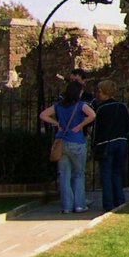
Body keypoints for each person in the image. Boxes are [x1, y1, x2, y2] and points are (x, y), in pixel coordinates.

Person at [40, 80, 97, 214]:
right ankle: (79, 205)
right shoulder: (81, 105)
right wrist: (81, 125)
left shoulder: (59, 106)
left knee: (64, 175)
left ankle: (66, 206)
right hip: (76, 141)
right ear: (78, 92)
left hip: (62, 141)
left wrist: (56, 123)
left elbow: (43, 115)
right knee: (79, 174)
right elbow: (93, 115)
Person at [92, 79, 129, 211]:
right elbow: (128, 125)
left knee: (106, 174)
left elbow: (97, 130)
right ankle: (120, 201)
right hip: (121, 142)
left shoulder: (101, 109)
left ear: (103, 92)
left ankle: (108, 204)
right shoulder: (122, 107)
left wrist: (95, 146)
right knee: (117, 172)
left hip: (106, 144)